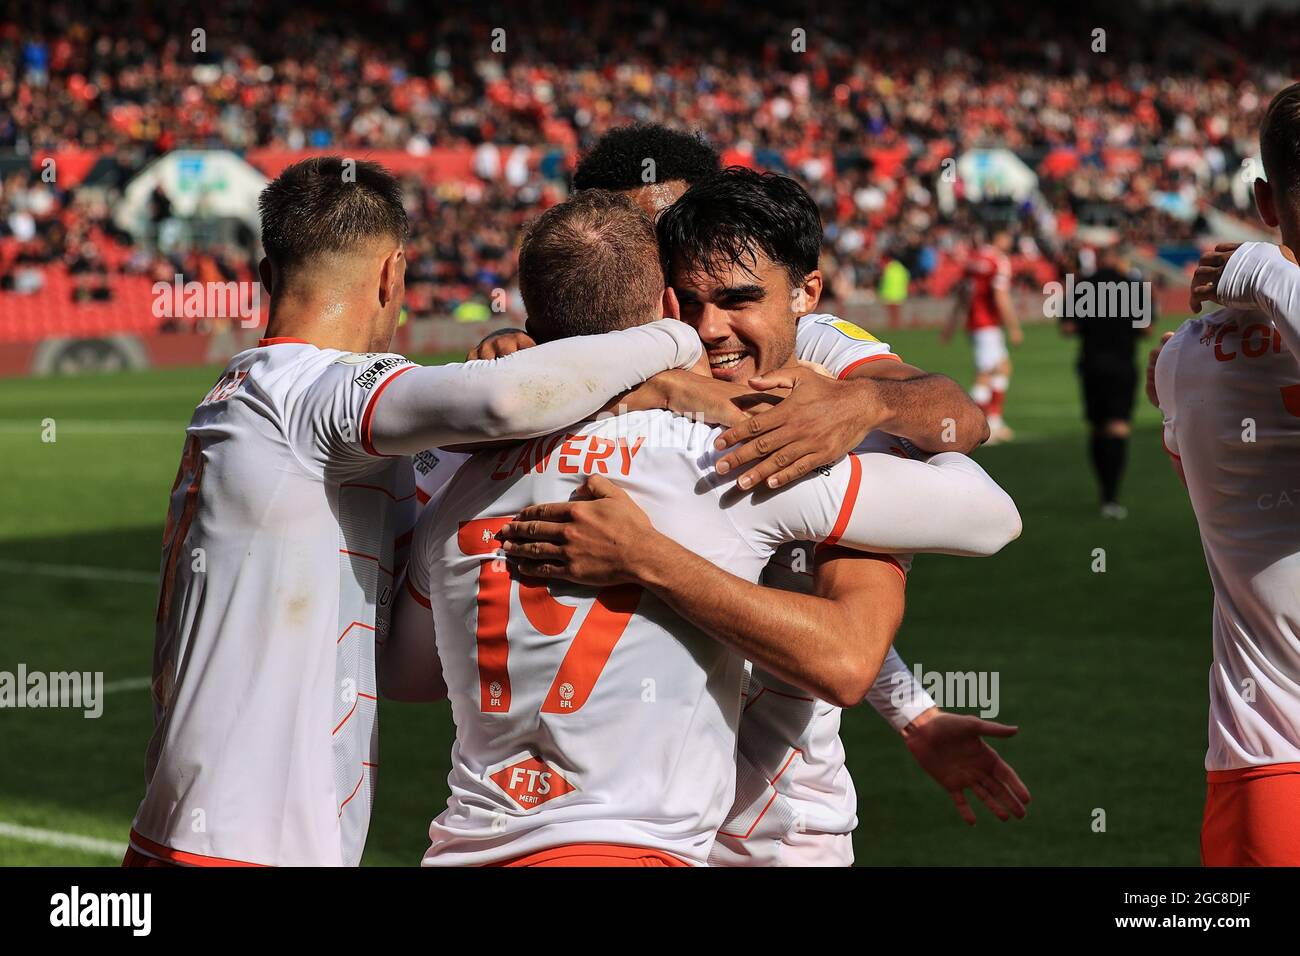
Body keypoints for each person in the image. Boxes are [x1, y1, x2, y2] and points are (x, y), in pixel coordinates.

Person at [387, 190, 1022, 867]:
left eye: (738, 299)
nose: (711, 328)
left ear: (806, 293)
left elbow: (847, 637)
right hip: (656, 838)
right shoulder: (710, 449)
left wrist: (912, 710)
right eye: (687, 300)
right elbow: (978, 518)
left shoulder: (823, 408)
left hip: (772, 836)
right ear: (659, 298)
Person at [124, 157, 707, 867]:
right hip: (248, 843)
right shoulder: (318, 392)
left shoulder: (242, 391)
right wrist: (678, 341)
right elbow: (504, 401)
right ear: (390, 274)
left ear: (265, 274)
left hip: (183, 827)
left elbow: (405, 640)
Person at [1148, 81, 1300, 866]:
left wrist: (1262, 275)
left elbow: (1199, 484)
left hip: (1270, 764)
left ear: (1266, 201)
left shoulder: (1186, 357)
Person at [1059, 245, 1153, 519]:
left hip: (1091, 366)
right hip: (1122, 365)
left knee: (1097, 428)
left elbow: (1067, 328)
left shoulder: (1082, 286)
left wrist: (1092, 324)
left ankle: (1103, 491)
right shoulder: (1134, 286)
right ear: (1120, 259)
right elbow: (1146, 330)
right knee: (1118, 427)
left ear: (1099, 260)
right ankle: (1111, 497)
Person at [942, 230, 1023, 443]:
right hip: (987, 324)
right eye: (1007, 235)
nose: (1010, 239)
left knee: (1003, 368)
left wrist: (951, 324)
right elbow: (1000, 296)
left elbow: (963, 293)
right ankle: (974, 429)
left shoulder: (973, 260)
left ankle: (994, 422)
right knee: (985, 375)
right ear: (998, 237)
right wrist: (1014, 326)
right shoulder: (998, 261)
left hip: (975, 323)